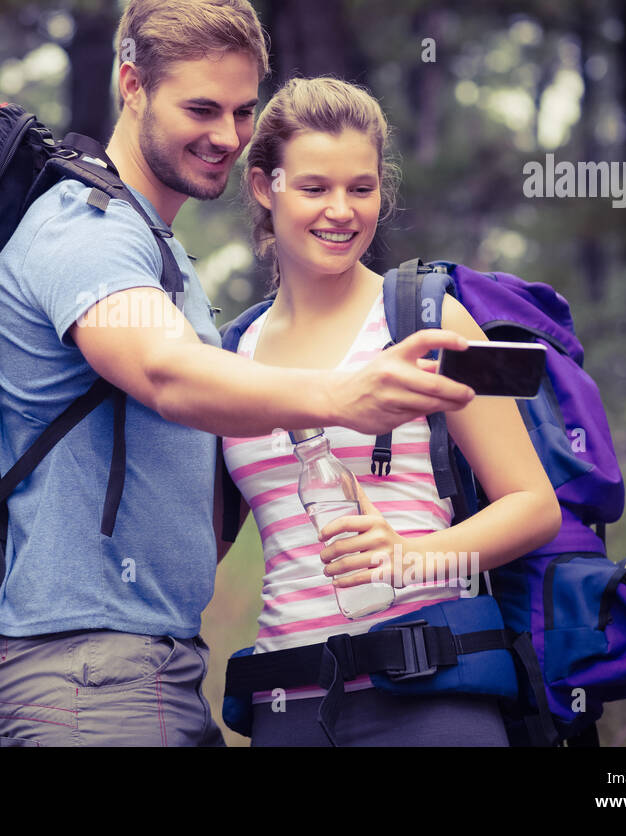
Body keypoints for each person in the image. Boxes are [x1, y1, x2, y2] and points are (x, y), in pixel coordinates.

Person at [0, 0, 477, 747]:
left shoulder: (158, 248)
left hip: (148, 667)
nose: (227, 132)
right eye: (201, 109)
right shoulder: (89, 232)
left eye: (244, 110)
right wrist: (342, 395)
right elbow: (164, 371)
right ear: (132, 85)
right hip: (85, 671)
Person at [221, 76, 562, 746]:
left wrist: (410, 559)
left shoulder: (425, 319)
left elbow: (533, 504)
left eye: (362, 188)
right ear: (266, 188)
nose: (342, 211)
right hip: (286, 704)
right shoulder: (234, 352)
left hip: (431, 698)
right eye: (314, 188)